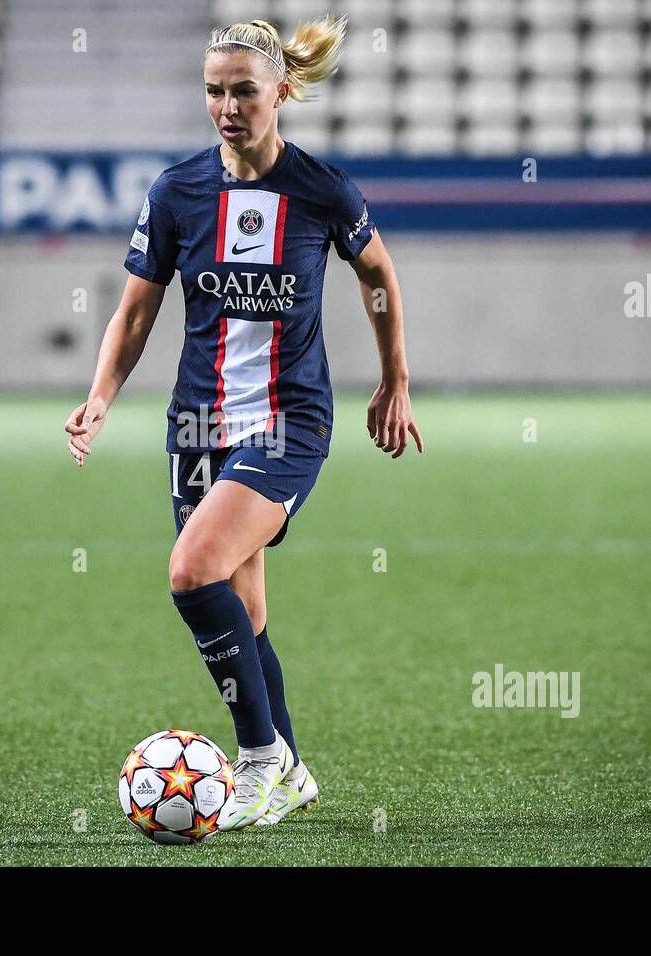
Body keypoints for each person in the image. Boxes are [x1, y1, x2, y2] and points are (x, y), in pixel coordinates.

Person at [64, 14, 423, 831]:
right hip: (196, 427)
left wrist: (395, 376)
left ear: (282, 93)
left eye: (244, 92)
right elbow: (133, 312)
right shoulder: (177, 192)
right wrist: (100, 396)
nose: (227, 106)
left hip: (290, 421)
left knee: (191, 571)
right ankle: (288, 768)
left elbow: (378, 274)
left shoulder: (323, 190)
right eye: (214, 91)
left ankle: (260, 756)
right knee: (243, 610)